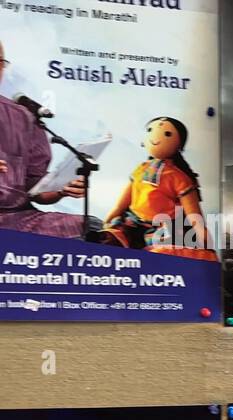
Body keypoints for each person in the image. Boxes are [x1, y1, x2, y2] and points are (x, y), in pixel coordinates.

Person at [0, 39, 86, 238]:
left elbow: (35, 187)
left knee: (91, 229)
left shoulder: (23, 117)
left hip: (19, 219)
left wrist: (61, 187)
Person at [100, 116, 210, 257]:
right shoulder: (141, 169)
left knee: (164, 253)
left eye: (167, 134)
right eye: (150, 130)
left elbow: (193, 214)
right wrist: (113, 214)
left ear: (179, 145)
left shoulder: (180, 178)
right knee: (110, 239)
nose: (155, 136)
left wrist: (202, 234)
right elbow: (125, 199)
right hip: (132, 222)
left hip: (163, 227)